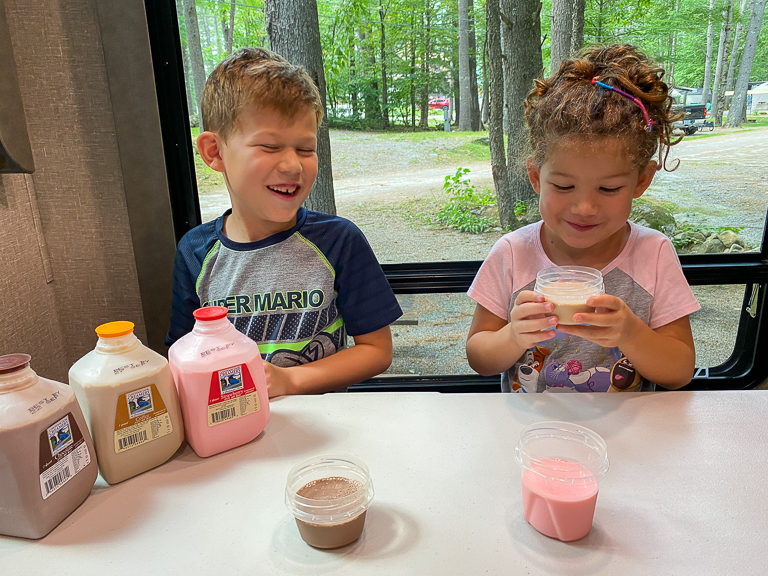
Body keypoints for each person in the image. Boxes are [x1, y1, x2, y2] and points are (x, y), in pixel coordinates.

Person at [166, 48, 402, 397]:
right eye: (270, 146)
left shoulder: (339, 241)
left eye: (305, 149)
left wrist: (291, 380)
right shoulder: (195, 252)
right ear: (214, 152)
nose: (293, 165)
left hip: (324, 430)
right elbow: (181, 356)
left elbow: (377, 350)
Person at [466, 44, 699, 393]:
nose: (584, 208)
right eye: (563, 185)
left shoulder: (653, 253)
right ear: (535, 177)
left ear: (641, 181)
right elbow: (479, 358)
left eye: (608, 189)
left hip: (625, 435)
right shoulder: (514, 252)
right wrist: (513, 336)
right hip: (533, 431)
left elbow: (680, 370)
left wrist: (631, 333)